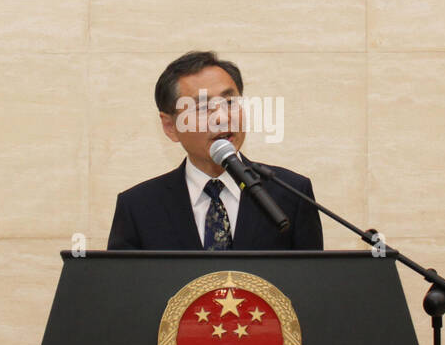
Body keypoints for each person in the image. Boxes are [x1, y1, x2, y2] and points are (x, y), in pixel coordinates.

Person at [106, 51, 324, 251]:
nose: (222, 118)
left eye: (230, 102)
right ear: (170, 126)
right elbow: (123, 289)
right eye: (202, 108)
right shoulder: (137, 207)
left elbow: (310, 285)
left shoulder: (291, 193)